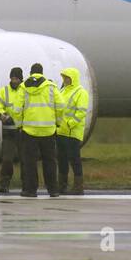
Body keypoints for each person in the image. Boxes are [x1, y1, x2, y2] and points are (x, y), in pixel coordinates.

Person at [16, 62, 61, 197]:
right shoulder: (51, 87)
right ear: (42, 73)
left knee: (30, 162)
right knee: (50, 161)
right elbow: (61, 106)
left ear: (30, 73)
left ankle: (30, 190)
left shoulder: (23, 87)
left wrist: (19, 124)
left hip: (30, 131)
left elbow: (17, 109)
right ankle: (53, 190)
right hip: (48, 130)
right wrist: (57, 122)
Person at [56, 67, 90, 195]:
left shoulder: (81, 92)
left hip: (72, 132)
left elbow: (81, 112)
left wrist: (71, 124)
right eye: (64, 77)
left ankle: (78, 186)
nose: (64, 80)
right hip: (61, 131)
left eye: (67, 77)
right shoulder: (62, 90)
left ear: (73, 78)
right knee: (62, 159)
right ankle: (62, 185)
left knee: (74, 159)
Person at [0, 66, 25, 194]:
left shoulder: (26, 91)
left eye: (16, 78)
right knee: (7, 160)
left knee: (25, 160)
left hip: (23, 131)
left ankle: (26, 184)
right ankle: (4, 183)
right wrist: (3, 116)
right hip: (8, 131)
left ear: (21, 79)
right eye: (12, 78)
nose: (14, 80)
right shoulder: (4, 91)